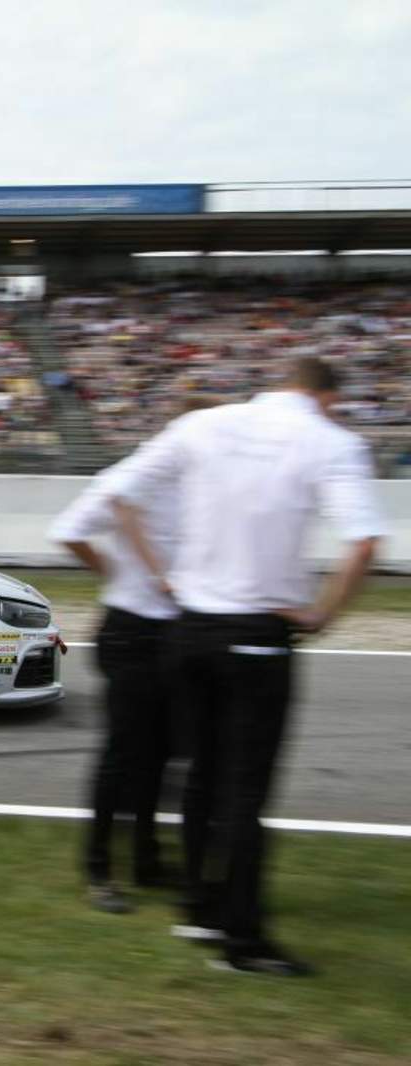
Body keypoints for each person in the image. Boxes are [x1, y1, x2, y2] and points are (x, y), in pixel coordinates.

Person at [105, 358, 385, 976]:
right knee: (243, 792)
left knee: (203, 778)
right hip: (256, 634)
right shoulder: (330, 440)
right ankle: (243, 941)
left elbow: (120, 495)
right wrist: (322, 614)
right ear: (324, 396)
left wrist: (164, 577)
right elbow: (365, 540)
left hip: (189, 629)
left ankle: (200, 909)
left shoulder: (203, 424)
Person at [48, 397, 220, 914]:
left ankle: (146, 859)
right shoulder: (133, 474)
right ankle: (99, 869)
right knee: (123, 756)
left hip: (177, 633)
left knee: (165, 755)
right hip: (131, 633)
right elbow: (68, 530)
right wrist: (118, 575)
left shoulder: (202, 484)